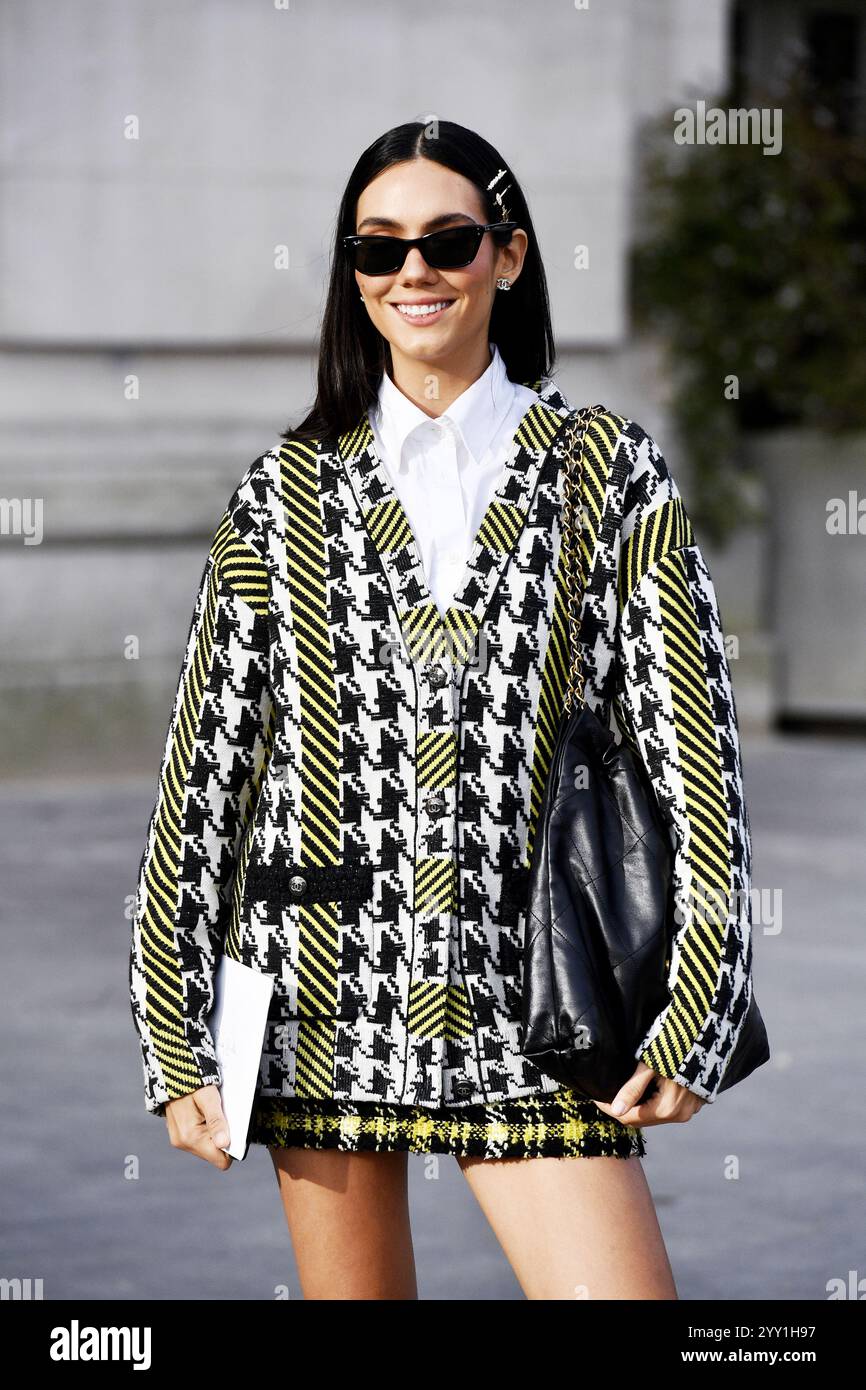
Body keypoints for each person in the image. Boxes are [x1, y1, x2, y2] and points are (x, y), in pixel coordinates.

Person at [129, 119, 762, 1300]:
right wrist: (173, 1032)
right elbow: (204, 774)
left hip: (538, 993)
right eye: (377, 250)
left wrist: (698, 998)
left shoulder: (605, 471)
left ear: (506, 257)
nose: (410, 271)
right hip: (320, 985)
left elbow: (691, 751)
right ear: (352, 275)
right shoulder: (283, 494)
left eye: (446, 240)